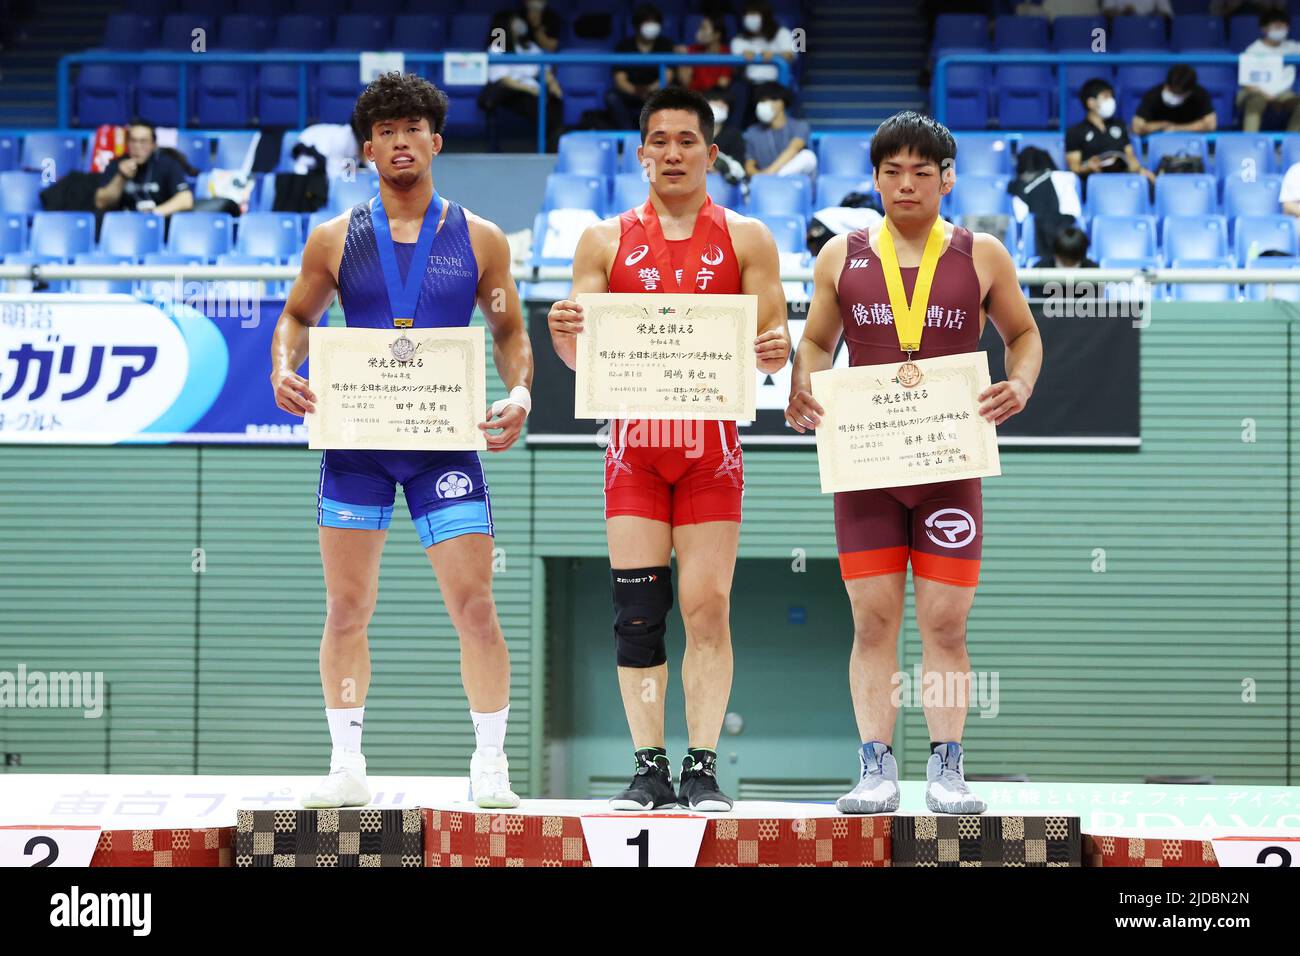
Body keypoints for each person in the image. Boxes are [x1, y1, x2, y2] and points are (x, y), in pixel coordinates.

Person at [269, 72, 534, 810]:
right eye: (384, 131)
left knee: (475, 607)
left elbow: (510, 329)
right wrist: (282, 368)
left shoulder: (479, 237)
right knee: (347, 608)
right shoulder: (334, 238)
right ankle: (347, 762)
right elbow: (295, 317)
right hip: (357, 440)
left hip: (443, 443)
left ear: (435, 141)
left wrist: (519, 393)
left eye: (412, 127)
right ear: (367, 149)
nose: (399, 140)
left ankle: (490, 763)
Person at [785, 111, 1043, 815]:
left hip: (948, 467)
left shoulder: (981, 253)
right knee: (872, 623)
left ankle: (947, 768)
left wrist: (1019, 383)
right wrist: (802, 382)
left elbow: (1022, 335)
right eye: (892, 171)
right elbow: (813, 343)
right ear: (874, 178)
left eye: (921, 172)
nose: (906, 184)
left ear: (946, 178)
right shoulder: (840, 255)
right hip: (868, 466)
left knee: (947, 625)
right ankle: (875, 768)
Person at [547, 87, 790, 811]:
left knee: (707, 608)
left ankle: (703, 768)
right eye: (660, 140)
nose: (673, 152)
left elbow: (771, 351)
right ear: (641, 152)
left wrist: (774, 347)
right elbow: (577, 356)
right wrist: (565, 335)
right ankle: (650, 767)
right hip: (635, 455)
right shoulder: (603, 240)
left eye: (688, 140)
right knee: (638, 613)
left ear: (712, 154)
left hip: (710, 452)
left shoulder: (748, 238)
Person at [479, 10, 564, 150]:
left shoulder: (529, 46)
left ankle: (553, 143)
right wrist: (530, 89)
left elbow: (544, 68)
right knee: (534, 104)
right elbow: (503, 79)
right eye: (514, 21)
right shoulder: (497, 47)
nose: (519, 24)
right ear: (505, 25)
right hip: (513, 92)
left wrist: (553, 84)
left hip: (534, 89)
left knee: (556, 99)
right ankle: (550, 141)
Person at [1065, 79, 1155, 193]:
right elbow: (1074, 167)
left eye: (1111, 96)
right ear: (1091, 103)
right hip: (1094, 184)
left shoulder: (1120, 125)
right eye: (1106, 97)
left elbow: (1131, 158)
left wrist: (1141, 171)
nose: (1111, 101)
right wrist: (1088, 167)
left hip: (1122, 179)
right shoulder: (1075, 132)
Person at [93, 118, 194, 217]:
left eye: (143, 141)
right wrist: (121, 177)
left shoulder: (167, 164)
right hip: (125, 224)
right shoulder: (117, 164)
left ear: (154, 145)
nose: (137, 146)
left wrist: (153, 214)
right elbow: (101, 202)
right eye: (133, 141)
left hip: (160, 222)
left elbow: (186, 199)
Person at [607, 4, 678, 131]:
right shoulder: (624, 46)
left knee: (674, 94)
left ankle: (661, 133)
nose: (652, 26)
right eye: (647, 22)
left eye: (655, 22)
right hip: (631, 92)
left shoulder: (666, 45)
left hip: (657, 92)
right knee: (612, 97)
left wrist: (651, 90)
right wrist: (637, 92)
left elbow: (668, 74)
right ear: (637, 25)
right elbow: (620, 79)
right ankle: (628, 134)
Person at [1238, 10, 1300, 133]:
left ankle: (1290, 144)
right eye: (1276, 26)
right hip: (1255, 91)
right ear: (1264, 29)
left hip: (1282, 93)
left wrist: (1275, 96)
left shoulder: (1293, 47)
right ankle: (1249, 143)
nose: (1281, 29)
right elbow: (1246, 83)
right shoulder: (1253, 49)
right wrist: (1267, 96)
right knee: (1256, 101)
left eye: (1284, 25)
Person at [743, 82, 816, 178]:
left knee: (808, 157)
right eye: (761, 101)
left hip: (793, 182)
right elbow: (749, 166)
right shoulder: (751, 132)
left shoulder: (800, 126)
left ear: (781, 103)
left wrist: (769, 174)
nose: (763, 105)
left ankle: (774, 179)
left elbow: (793, 149)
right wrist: (760, 177)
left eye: (769, 100)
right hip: (765, 185)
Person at [1131, 65, 1216, 136]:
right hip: (1159, 142)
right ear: (1167, 84)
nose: (1174, 95)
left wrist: (1177, 128)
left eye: (1179, 93)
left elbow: (1210, 125)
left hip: (1191, 142)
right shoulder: (1153, 95)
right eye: (1172, 90)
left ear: (1189, 91)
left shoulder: (1200, 94)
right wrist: (1163, 125)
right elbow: (1137, 127)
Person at [677, 14, 735, 98]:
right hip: (694, 99)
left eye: (703, 28)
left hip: (715, 97)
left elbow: (723, 83)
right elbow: (685, 82)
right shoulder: (691, 50)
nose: (699, 31)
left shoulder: (726, 53)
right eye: (700, 28)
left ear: (717, 34)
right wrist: (683, 58)